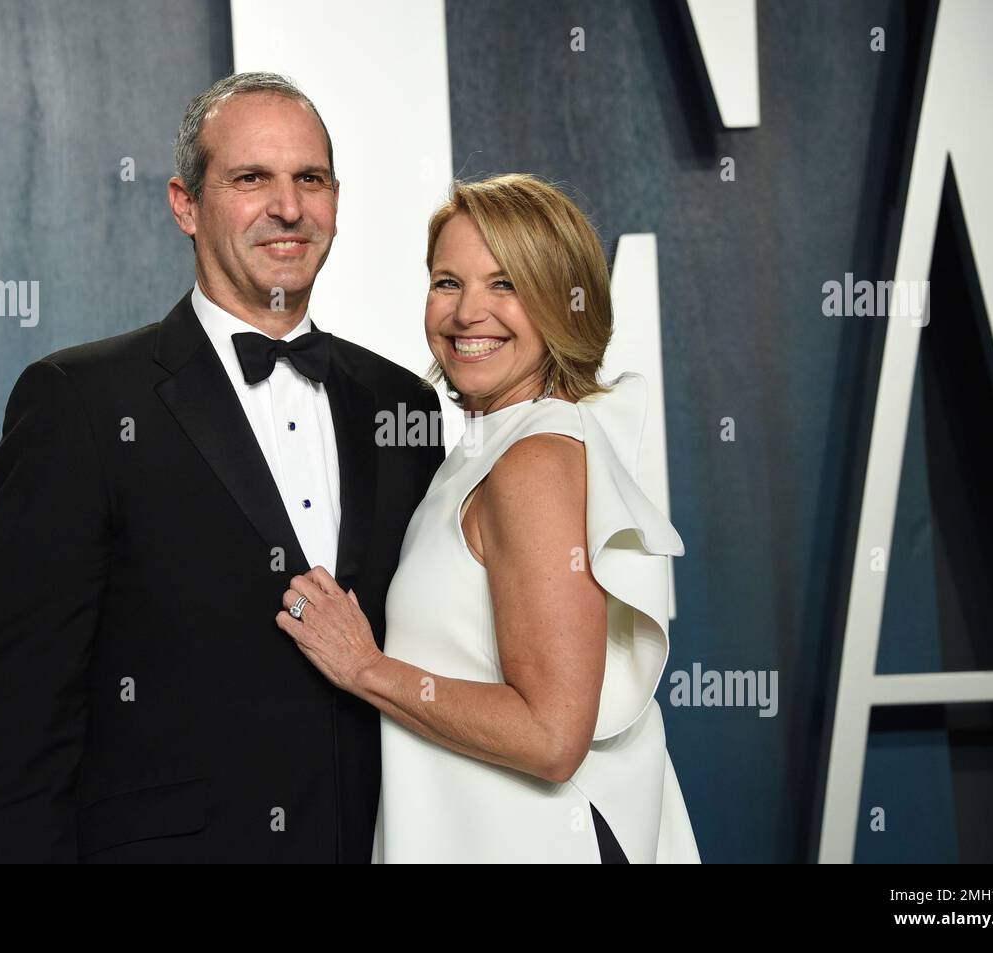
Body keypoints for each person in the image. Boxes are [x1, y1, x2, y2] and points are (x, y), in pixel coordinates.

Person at [0, 72, 443, 862]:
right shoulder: (77, 402)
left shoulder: (404, 405)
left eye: (310, 179)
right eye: (251, 178)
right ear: (185, 204)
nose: (288, 207)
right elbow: (20, 721)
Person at [275, 173, 701, 862]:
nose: (468, 312)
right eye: (448, 281)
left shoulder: (532, 461)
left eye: (505, 284)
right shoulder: (488, 445)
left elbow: (552, 735)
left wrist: (366, 668)